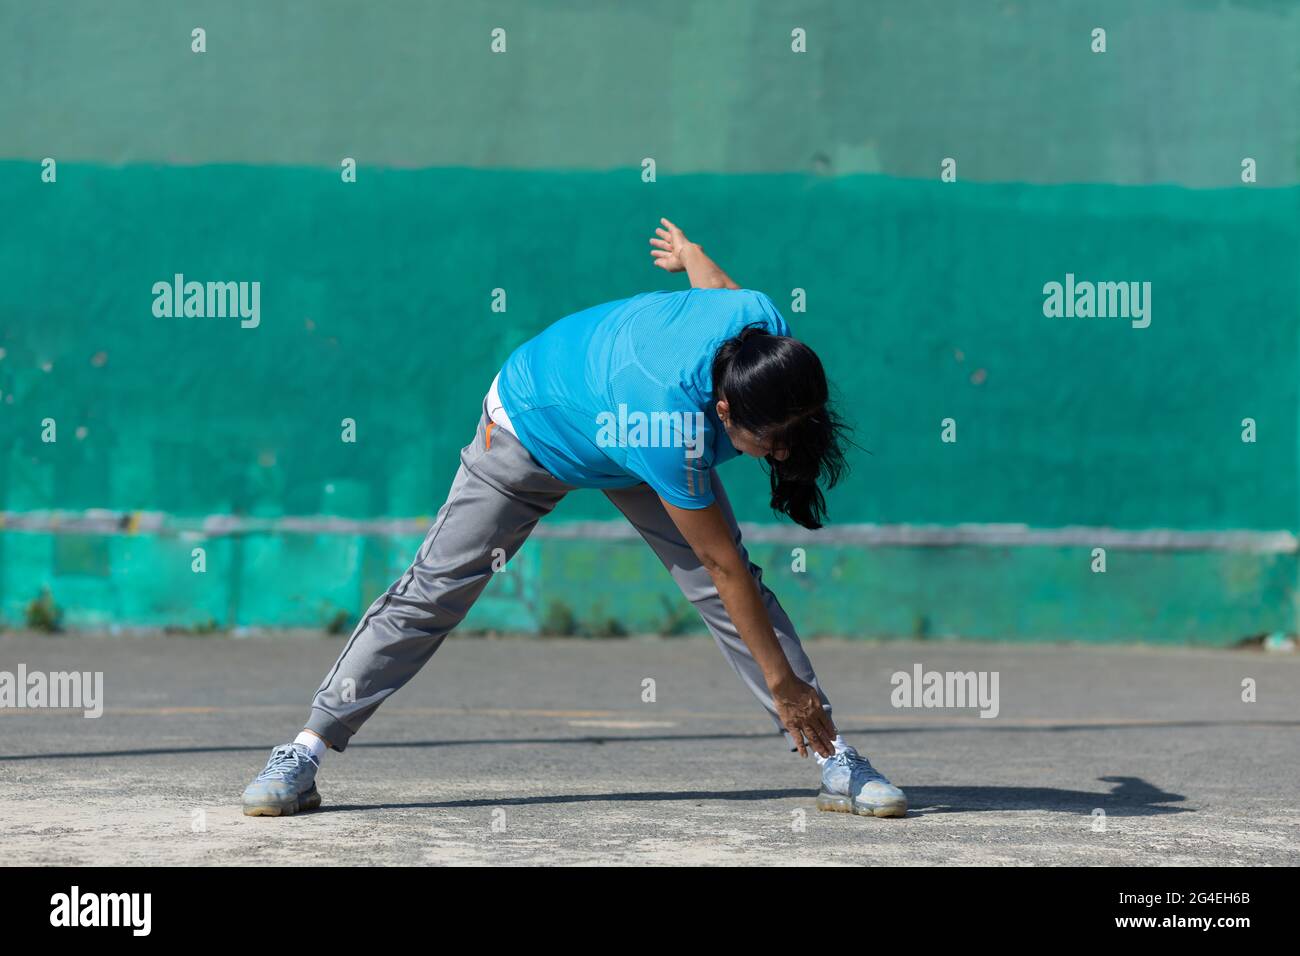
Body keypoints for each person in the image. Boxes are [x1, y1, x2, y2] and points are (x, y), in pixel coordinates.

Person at [241, 218, 907, 819]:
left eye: (797, 434)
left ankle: (833, 760)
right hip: (535, 426)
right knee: (433, 591)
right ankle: (303, 751)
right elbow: (719, 563)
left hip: (621, 433)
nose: (784, 452)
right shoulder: (670, 422)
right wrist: (785, 685)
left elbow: (718, 294)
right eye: (773, 441)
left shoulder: (761, 333)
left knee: (737, 598)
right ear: (725, 412)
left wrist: (692, 253)